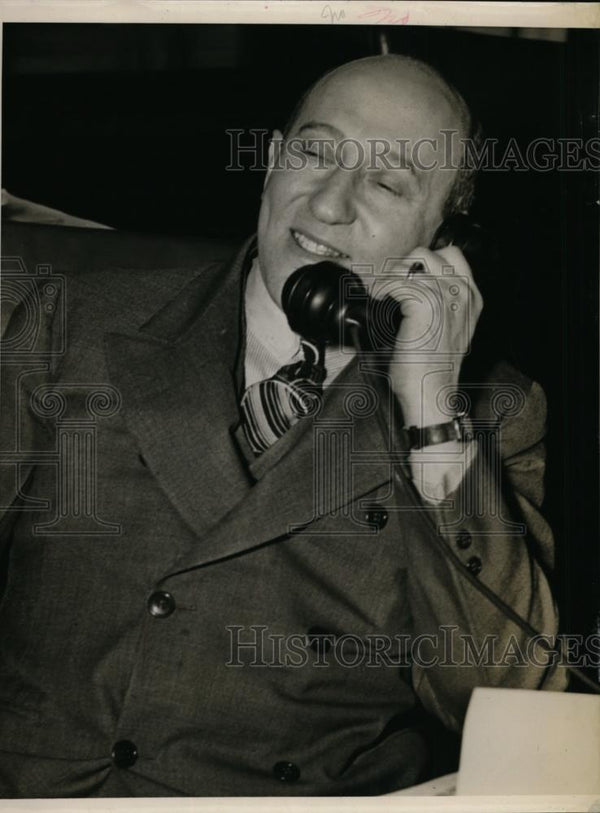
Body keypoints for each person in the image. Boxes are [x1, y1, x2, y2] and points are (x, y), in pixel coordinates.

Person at [0, 54, 565, 797]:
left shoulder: (492, 412)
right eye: (314, 153)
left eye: (388, 182)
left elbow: (512, 704)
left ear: (449, 238)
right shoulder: (73, 324)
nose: (328, 206)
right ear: (271, 161)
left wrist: (432, 411)